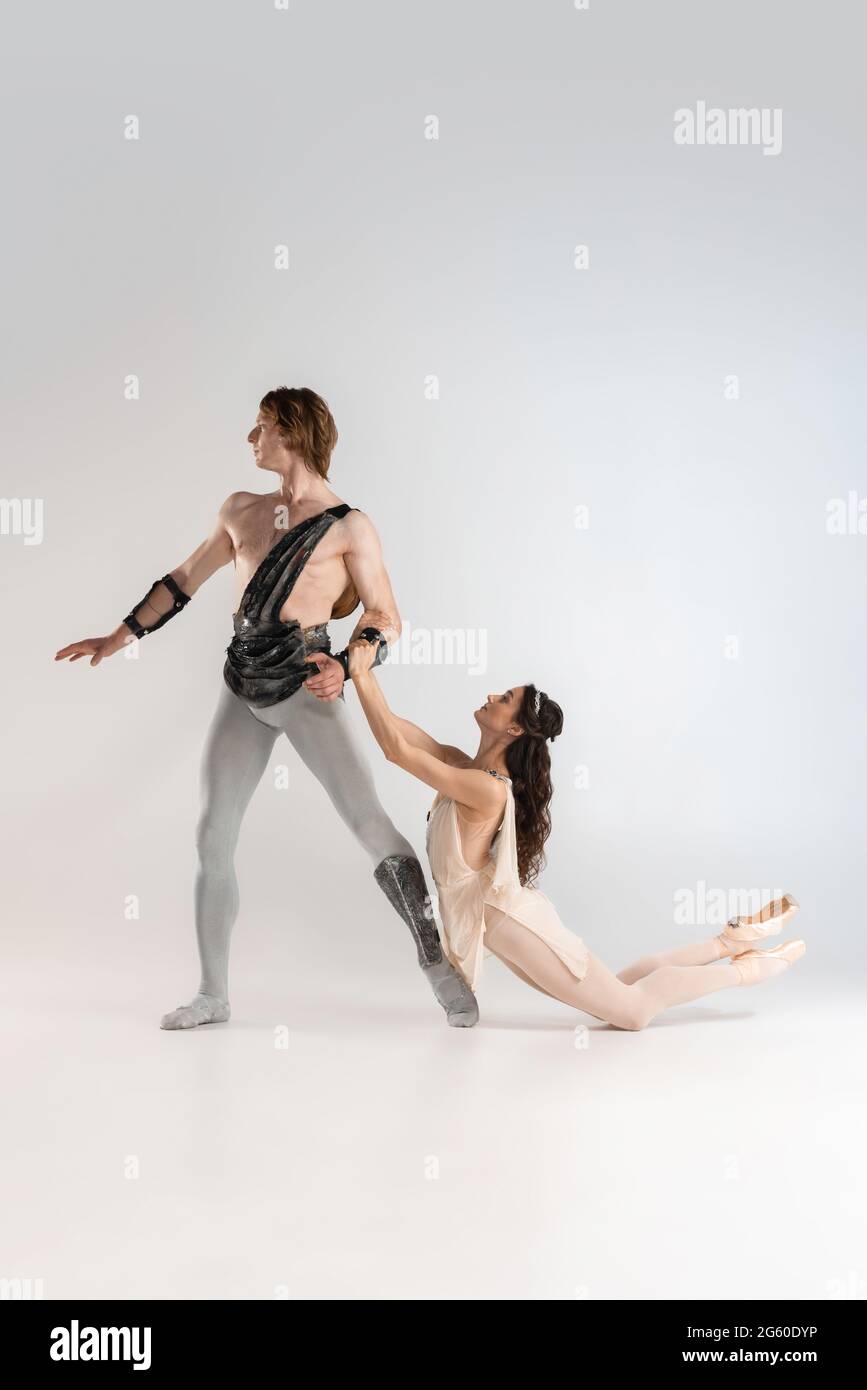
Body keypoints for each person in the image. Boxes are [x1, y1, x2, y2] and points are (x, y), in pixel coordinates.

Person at [54, 386, 478, 1029]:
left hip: (307, 684)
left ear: (294, 433)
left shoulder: (348, 525)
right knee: (212, 835)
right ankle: (213, 995)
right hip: (241, 681)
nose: (251, 440)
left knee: (368, 824)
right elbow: (183, 581)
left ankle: (434, 960)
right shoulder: (239, 509)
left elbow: (386, 615)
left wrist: (351, 660)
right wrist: (118, 637)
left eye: (262, 428)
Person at [345, 640, 806, 1030]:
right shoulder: (466, 768)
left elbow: (395, 751)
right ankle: (728, 944)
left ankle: (748, 968)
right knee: (622, 989)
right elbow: (400, 730)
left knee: (632, 1011)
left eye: (503, 697)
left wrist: (362, 674)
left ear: (514, 727)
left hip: (510, 923)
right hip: (500, 921)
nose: (491, 694)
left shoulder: (484, 789)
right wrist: (351, 674)